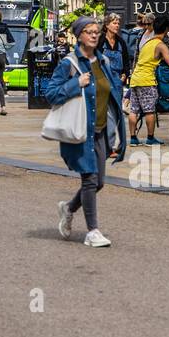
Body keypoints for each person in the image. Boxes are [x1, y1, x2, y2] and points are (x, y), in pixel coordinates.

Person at [48, 17, 118, 248]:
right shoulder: (69, 64)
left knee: (99, 183)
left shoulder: (103, 61)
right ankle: (92, 231)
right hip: (80, 131)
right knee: (89, 179)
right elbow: (51, 93)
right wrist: (75, 83)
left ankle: (68, 208)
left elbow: (111, 95)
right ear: (79, 36)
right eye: (89, 32)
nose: (94, 35)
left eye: (97, 31)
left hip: (100, 130)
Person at [128, 14, 169, 146]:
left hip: (135, 79)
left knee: (134, 110)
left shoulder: (146, 43)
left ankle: (133, 138)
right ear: (166, 29)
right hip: (147, 80)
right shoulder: (161, 45)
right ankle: (150, 138)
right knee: (149, 110)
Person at [99, 14, 132, 158]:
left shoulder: (121, 42)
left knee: (115, 114)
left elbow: (126, 61)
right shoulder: (100, 40)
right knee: (107, 114)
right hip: (103, 80)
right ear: (106, 25)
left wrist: (125, 74)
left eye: (118, 23)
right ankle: (109, 146)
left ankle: (113, 145)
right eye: (114, 23)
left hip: (117, 82)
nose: (117, 25)